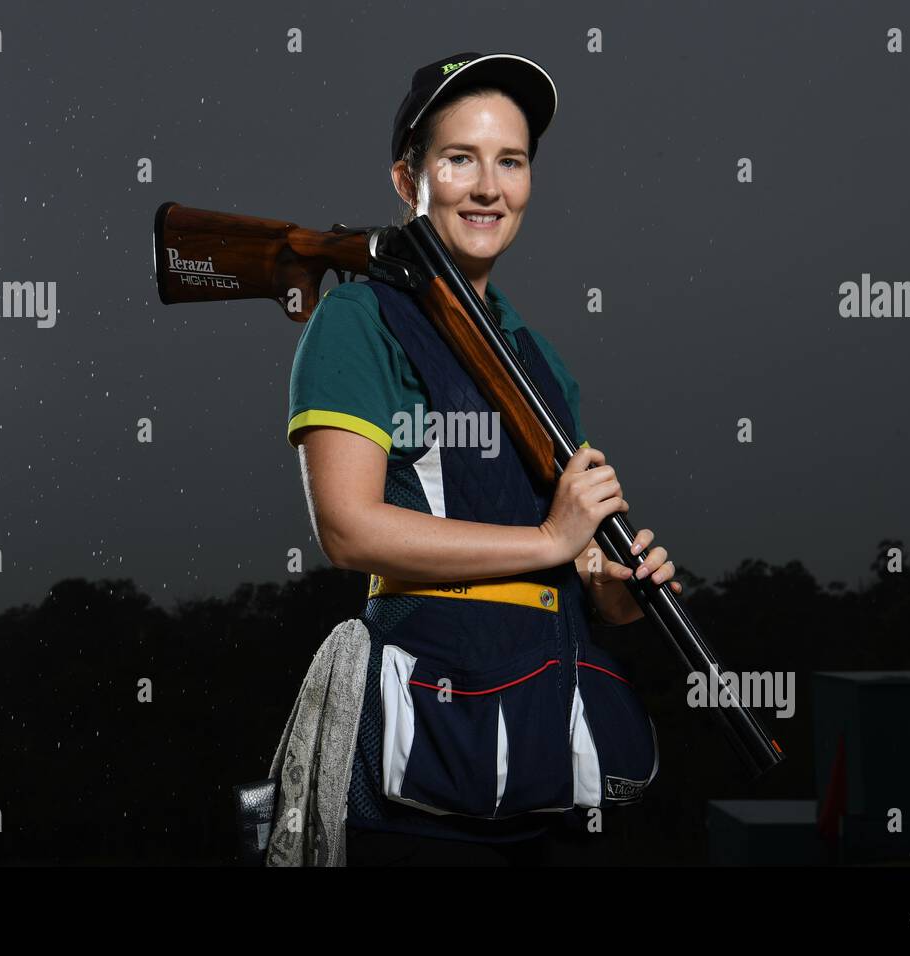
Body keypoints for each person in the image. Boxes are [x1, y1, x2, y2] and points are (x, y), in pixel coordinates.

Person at [286, 52, 682, 867]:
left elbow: (561, 562)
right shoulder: (358, 320)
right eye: (459, 159)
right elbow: (349, 530)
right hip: (420, 757)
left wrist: (608, 590)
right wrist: (549, 539)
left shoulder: (539, 358)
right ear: (408, 177)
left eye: (512, 161)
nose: (489, 187)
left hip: (549, 753)